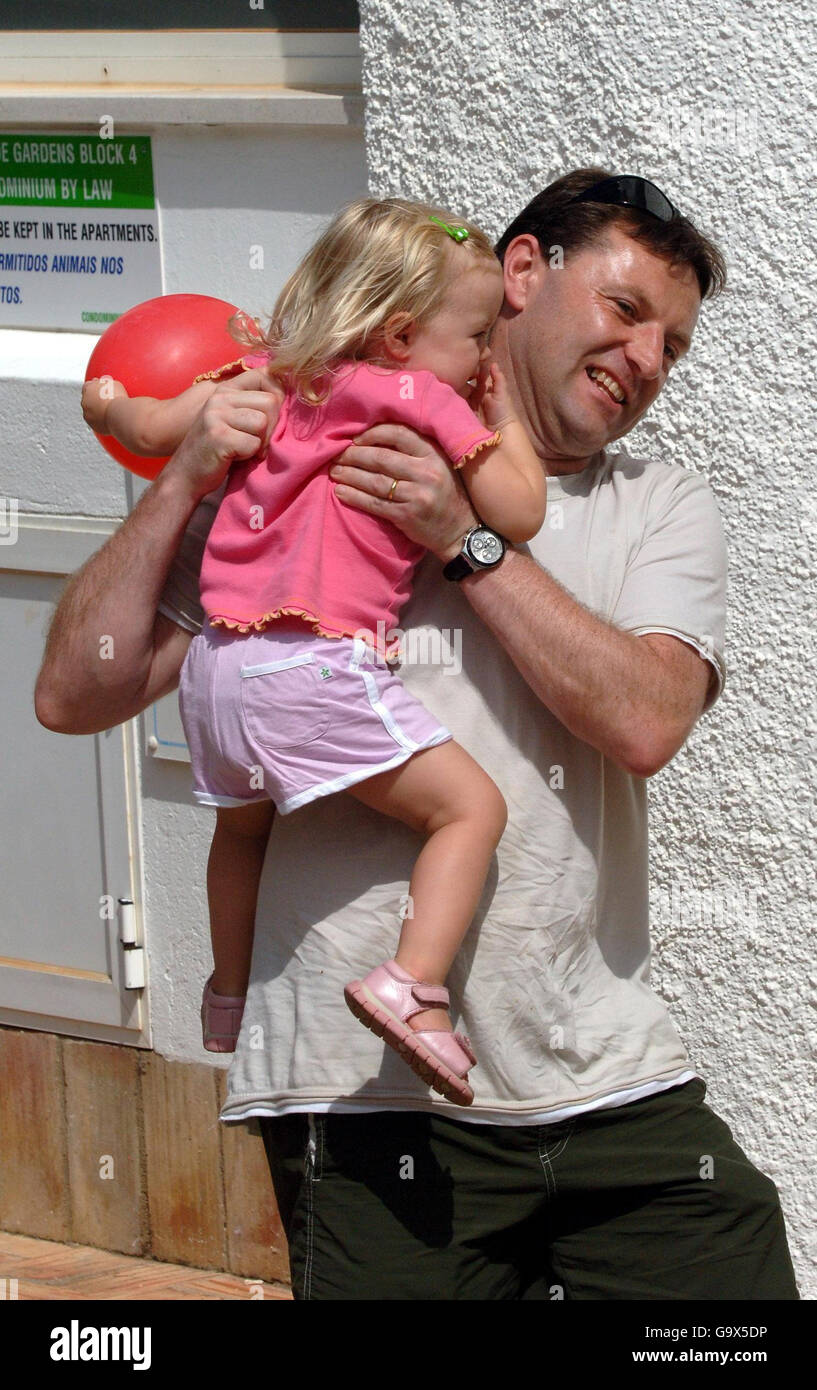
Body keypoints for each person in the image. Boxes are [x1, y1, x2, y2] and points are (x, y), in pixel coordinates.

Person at [35, 168, 799, 1300]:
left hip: (595, 1073)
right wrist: (184, 475)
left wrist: (461, 537)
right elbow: (76, 691)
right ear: (523, 274)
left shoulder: (658, 502)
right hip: (367, 1100)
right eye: (627, 311)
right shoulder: (305, 457)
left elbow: (643, 720)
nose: (645, 361)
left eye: (673, 346)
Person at [81, 198, 547, 1104]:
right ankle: (411, 988)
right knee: (470, 814)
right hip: (314, 662)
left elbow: (141, 429)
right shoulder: (412, 393)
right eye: (476, 336)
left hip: (215, 669)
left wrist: (103, 401)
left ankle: (224, 994)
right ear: (403, 335)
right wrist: (503, 419)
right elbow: (519, 511)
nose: (487, 357)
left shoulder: (258, 376)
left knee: (241, 827)